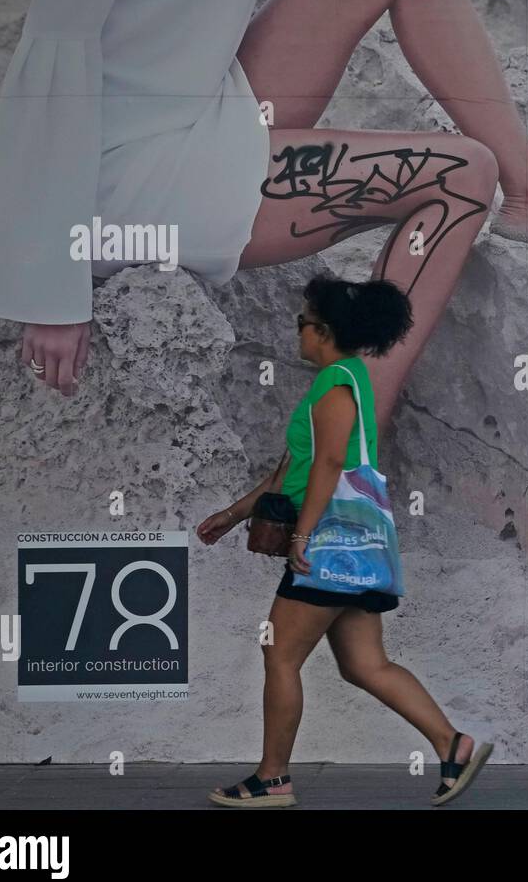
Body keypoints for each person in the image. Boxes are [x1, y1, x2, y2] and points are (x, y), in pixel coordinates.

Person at [0, 0, 528, 427]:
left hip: (203, 107)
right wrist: (49, 289)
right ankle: (345, 449)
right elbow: (53, 59)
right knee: (462, 173)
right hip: (126, 179)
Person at [196, 274, 492, 807]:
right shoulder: (345, 378)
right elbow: (294, 467)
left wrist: (303, 535)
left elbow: (330, 465)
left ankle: (272, 778)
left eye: (302, 323)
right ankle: (453, 745)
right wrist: (235, 513)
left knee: (279, 654)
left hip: (329, 546)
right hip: (356, 547)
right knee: (364, 664)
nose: (298, 331)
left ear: (325, 331)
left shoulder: (334, 385)